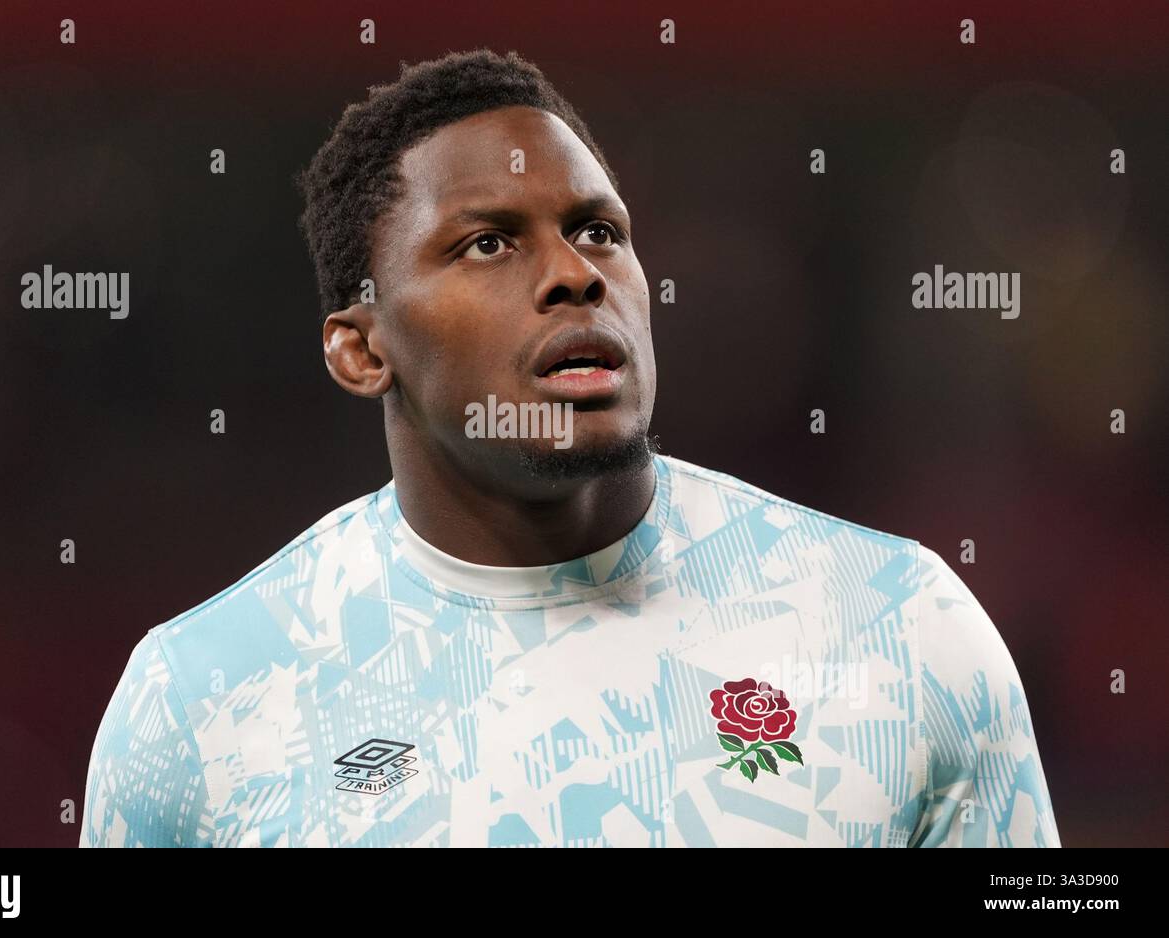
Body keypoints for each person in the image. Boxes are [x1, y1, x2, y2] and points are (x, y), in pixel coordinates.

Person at [79, 49, 1060, 848]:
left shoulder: (895, 623)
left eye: (597, 230)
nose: (572, 275)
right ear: (362, 346)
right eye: (488, 243)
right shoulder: (202, 699)